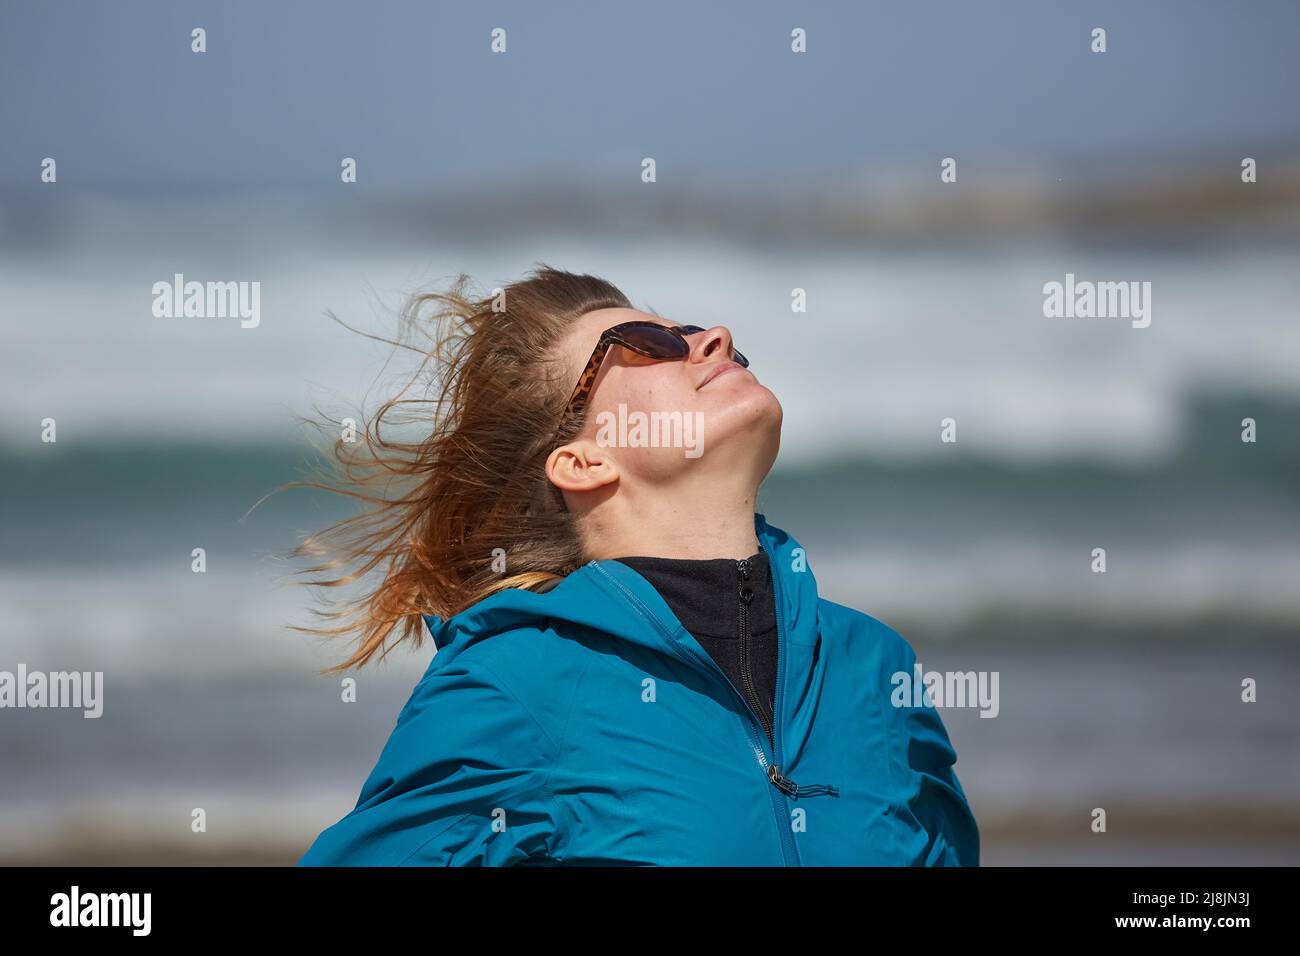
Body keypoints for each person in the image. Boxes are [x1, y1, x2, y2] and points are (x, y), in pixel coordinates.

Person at [294, 264, 979, 865]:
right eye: (651, 344)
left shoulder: (873, 666)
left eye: (691, 331)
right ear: (583, 460)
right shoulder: (514, 684)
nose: (715, 337)